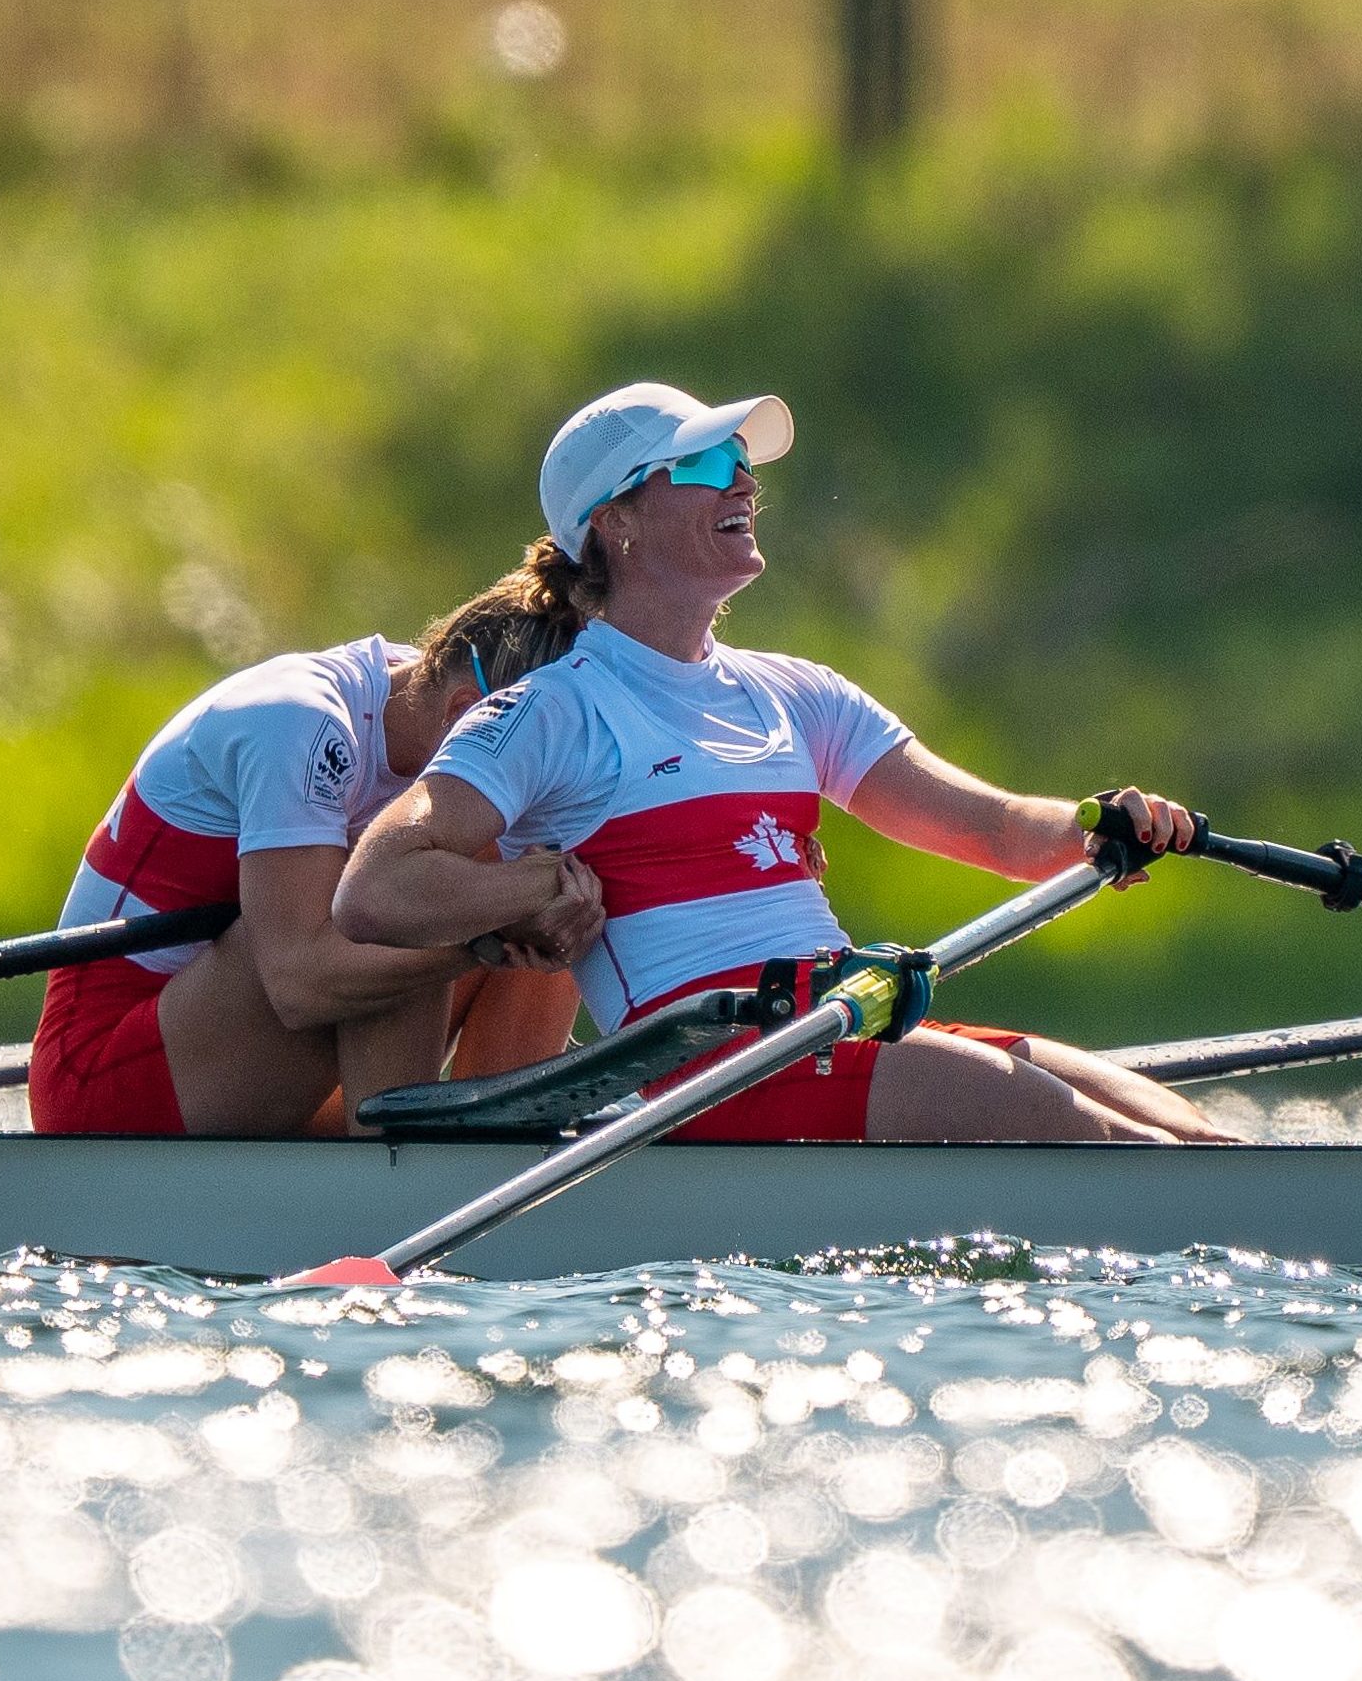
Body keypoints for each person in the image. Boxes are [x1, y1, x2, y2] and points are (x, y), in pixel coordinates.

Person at [334, 381, 1234, 1144]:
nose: (743, 482)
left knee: (1189, 1133)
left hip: (840, 1017)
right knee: (1059, 1122)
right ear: (617, 526)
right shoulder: (549, 713)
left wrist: (1102, 824)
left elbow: (999, 831)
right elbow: (373, 890)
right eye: (704, 466)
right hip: (712, 1062)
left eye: (742, 463)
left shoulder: (797, 693)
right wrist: (527, 894)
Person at [29, 585, 601, 1136]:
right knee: (415, 900)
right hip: (100, 1078)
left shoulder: (420, 694)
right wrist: (484, 941)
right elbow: (298, 986)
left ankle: (499, 1155)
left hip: (230, 1045)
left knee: (559, 887)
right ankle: (392, 1196)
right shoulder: (302, 723)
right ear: (464, 710)